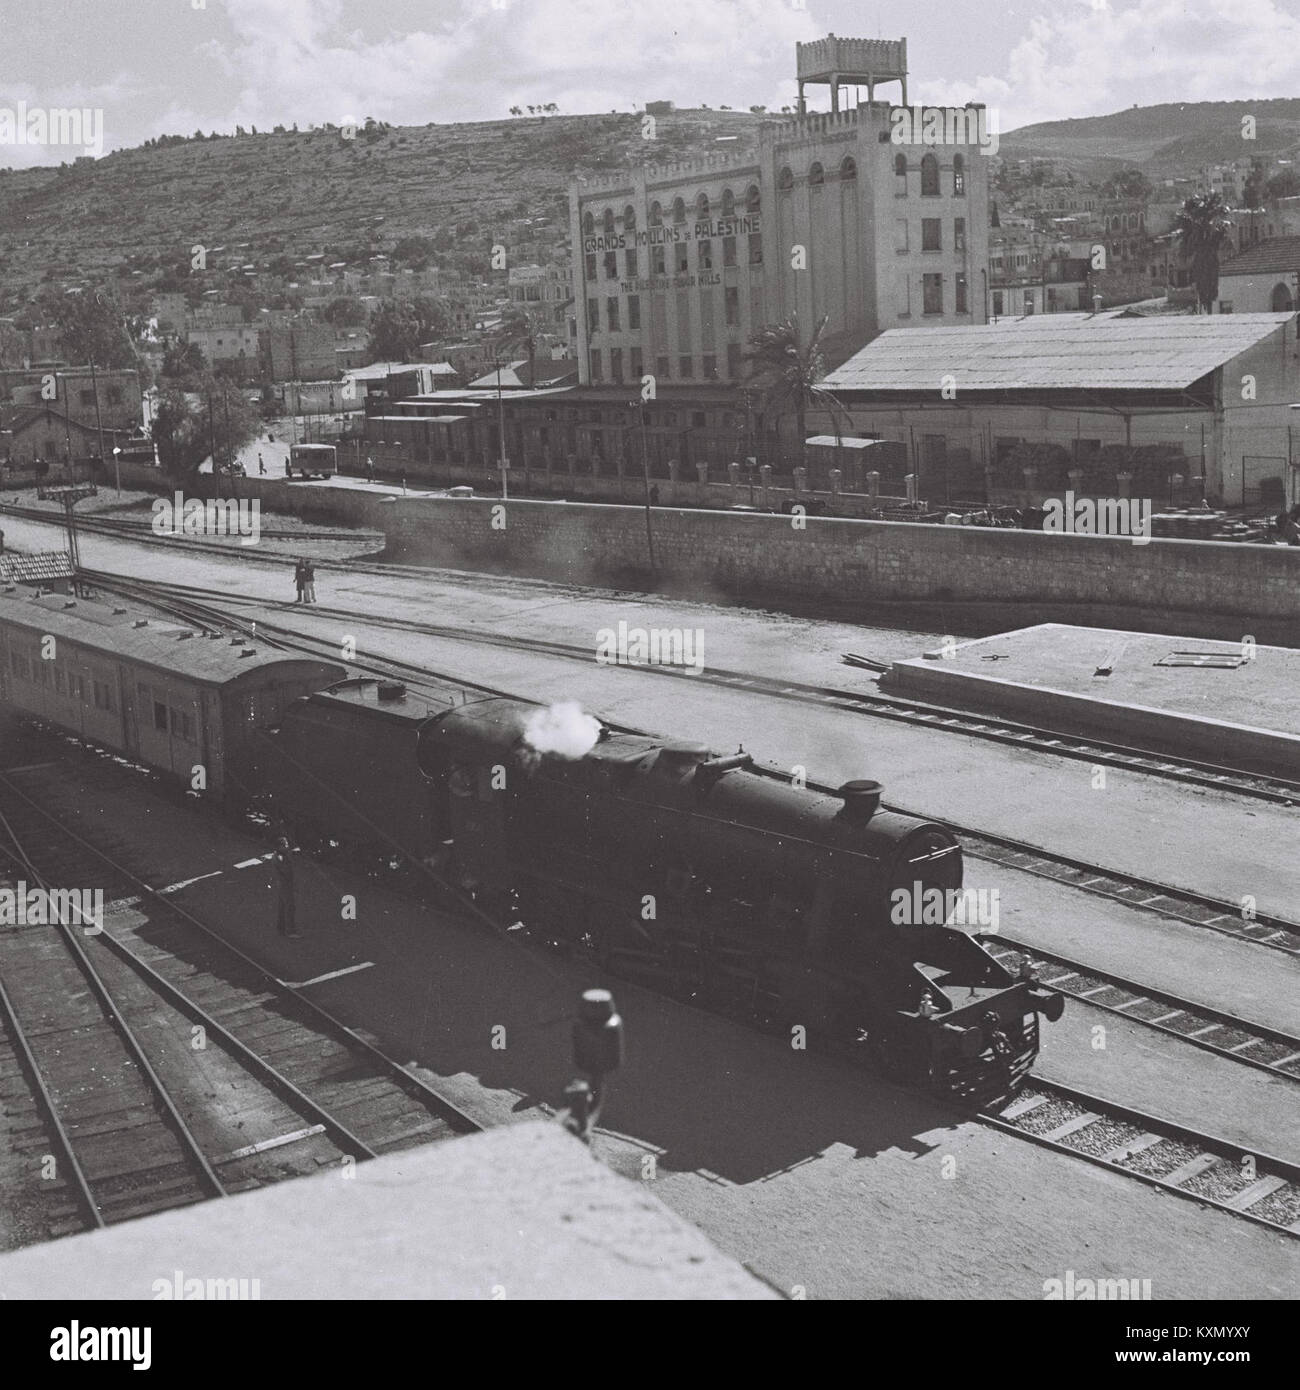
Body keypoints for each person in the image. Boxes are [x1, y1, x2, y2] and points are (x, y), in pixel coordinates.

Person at [272, 837, 301, 939]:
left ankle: (280, 928)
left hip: (281, 884)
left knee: (282, 906)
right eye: (285, 845)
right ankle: (290, 931)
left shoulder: (279, 855)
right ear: (280, 846)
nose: (287, 847)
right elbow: (286, 871)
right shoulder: (280, 857)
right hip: (285, 884)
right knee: (290, 906)